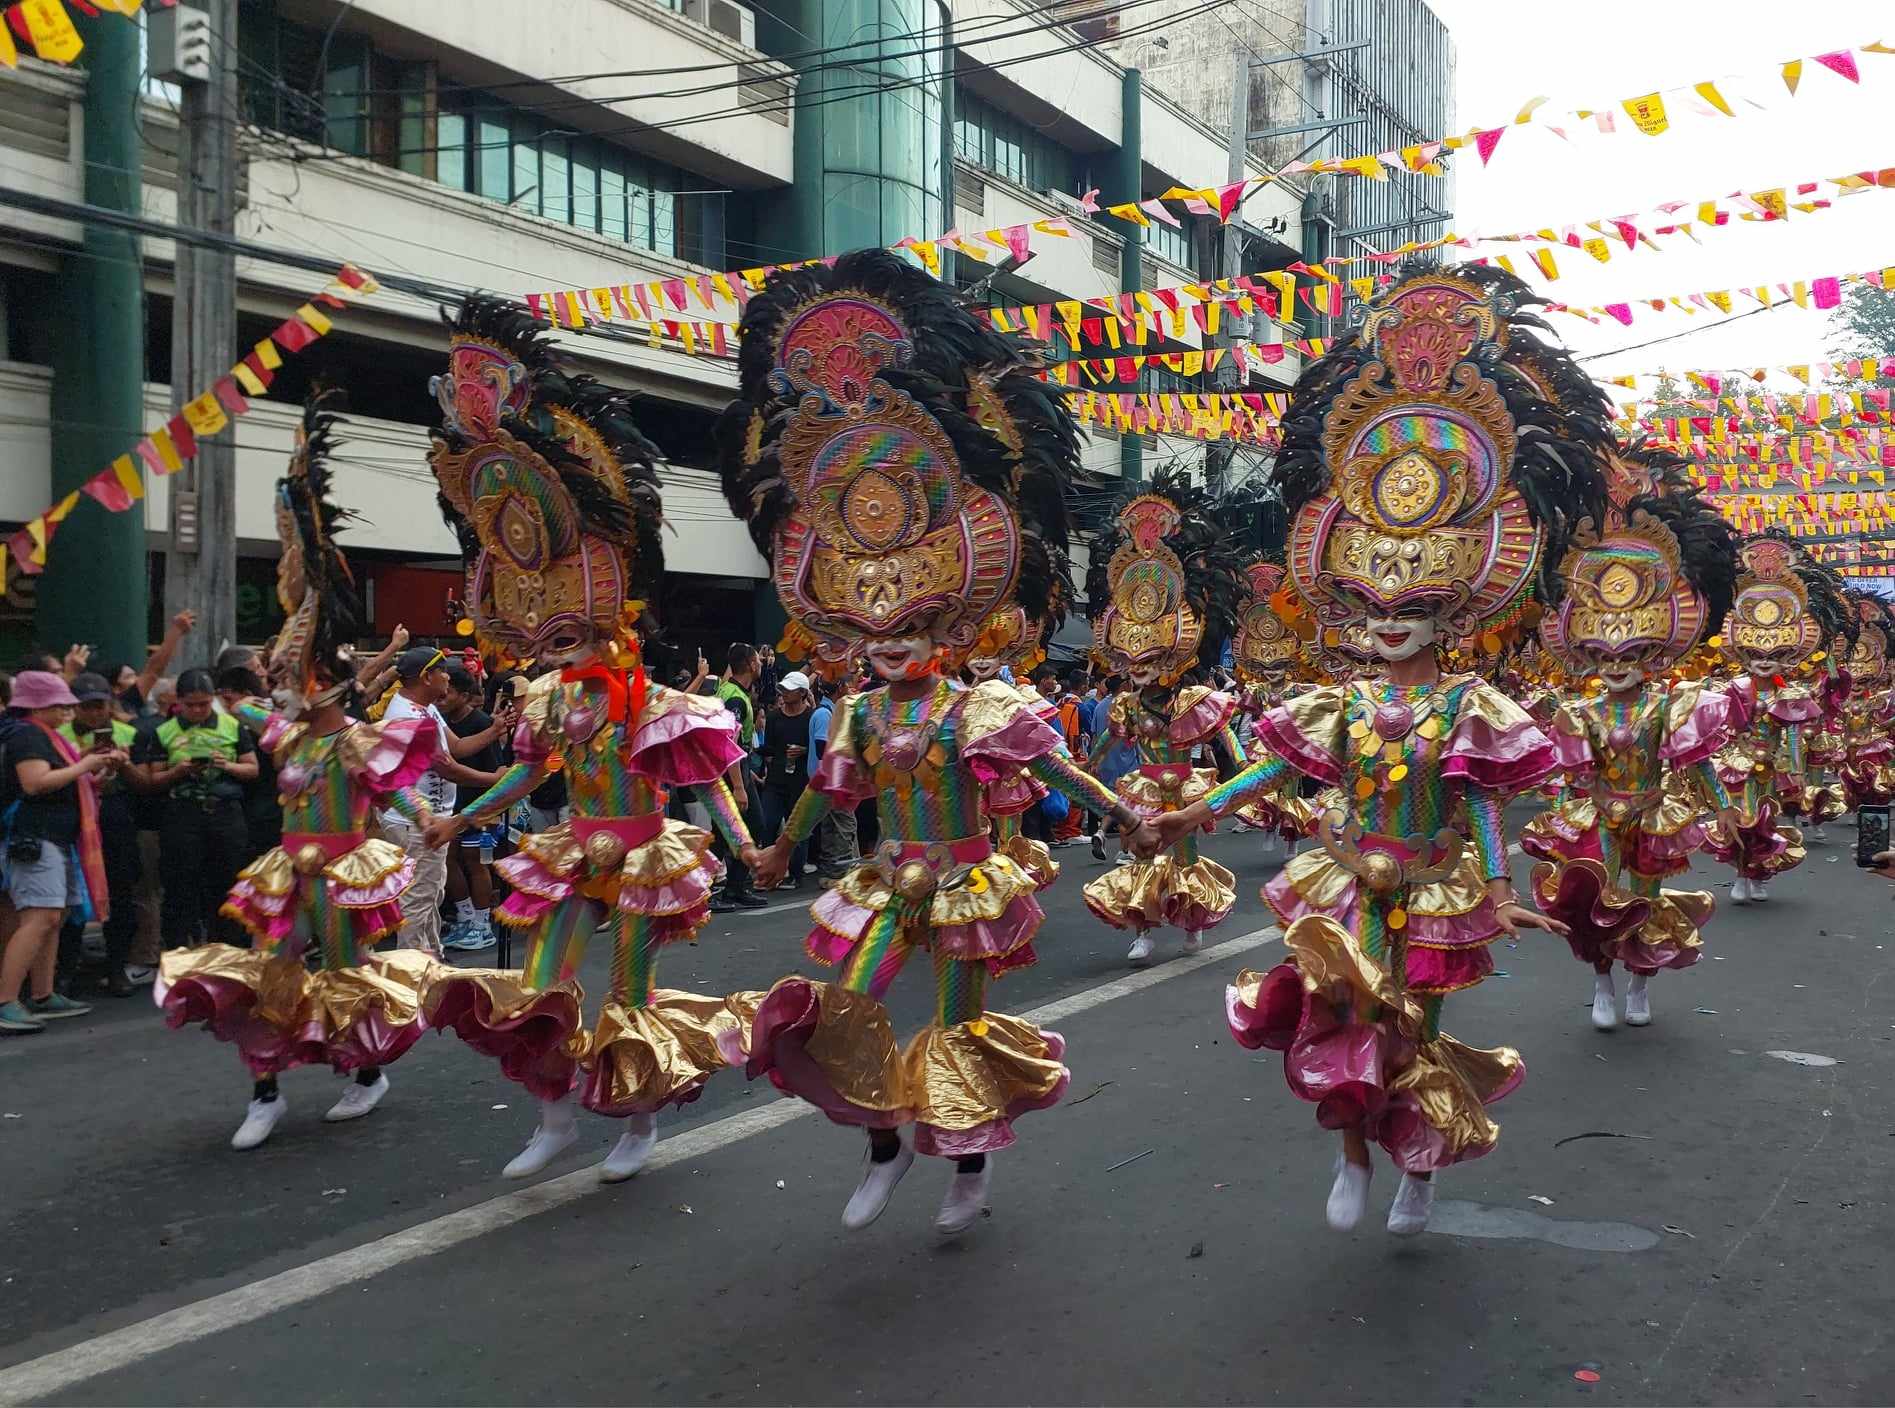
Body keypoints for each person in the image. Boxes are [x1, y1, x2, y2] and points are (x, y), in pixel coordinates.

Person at [1147, 265, 1601, 1237]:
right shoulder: (1341, 698)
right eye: (1374, 607)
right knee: (1335, 1013)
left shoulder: (1465, 702)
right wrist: (1204, 807)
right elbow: (1287, 768)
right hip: (1346, 876)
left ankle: (1419, 1170)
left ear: (1452, 610)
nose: (1390, 624)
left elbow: (1476, 795)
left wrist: (1496, 880)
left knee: (1410, 1033)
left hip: (1433, 882)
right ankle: (1351, 1154)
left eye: (1416, 610)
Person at [720, 249, 1154, 1237]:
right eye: (871, 634)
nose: (887, 648)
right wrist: (780, 842)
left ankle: (963, 1167)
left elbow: (1049, 765)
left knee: (955, 1031)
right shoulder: (866, 714)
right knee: (840, 1005)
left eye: (906, 630)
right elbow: (829, 790)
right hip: (888, 876)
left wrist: (1122, 810)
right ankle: (879, 1143)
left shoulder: (976, 708)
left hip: (962, 879)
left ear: (950, 626)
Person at [417, 297, 761, 1182]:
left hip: (644, 850)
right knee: (542, 985)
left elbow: (708, 779)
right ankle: (554, 1116)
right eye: (548, 639)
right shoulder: (544, 700)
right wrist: (459, 821)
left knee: (626, 991)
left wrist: (751, 840)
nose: (555, 648)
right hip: (575, 848)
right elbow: (523, 775)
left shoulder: (649, 701)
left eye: (570, 635)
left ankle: (638, 1124)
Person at [157, 391, 442, 1147]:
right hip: (289, 872)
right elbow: (199, 700)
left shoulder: (353, 738)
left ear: (328, 685)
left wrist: (430, 822)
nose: (277, 684)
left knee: (348, 977)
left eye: (291, 677)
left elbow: (399, 789)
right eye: (278, 677)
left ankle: (365, 1072)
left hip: (345, 873)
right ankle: (265, 1089)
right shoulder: (282, 734)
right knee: (269, 976)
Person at [1520, 444, 1750, 1031]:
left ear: (1652, 654)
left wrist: (1723, 810)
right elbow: (1567, 775)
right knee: (1597, 906)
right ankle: (1601, 982)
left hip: (1651, 816)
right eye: (1605, 656)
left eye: (1633, 654)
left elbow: (1693, 763)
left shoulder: (1670, 705)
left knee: (1641, 903)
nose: (1618, 666)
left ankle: (1640, 984)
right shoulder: (1582, 710)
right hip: (1597, 818)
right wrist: (1550, 814)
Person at [1080, 476, 1249, 966]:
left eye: (1149, 662)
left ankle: (1193, 922)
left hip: (1184, 791)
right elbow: (1109, 745)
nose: (1140, 671)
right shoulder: (1129, 705)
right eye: (1132, 663)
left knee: (1185, 861)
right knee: (1140, 858)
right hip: (1144, 789)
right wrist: (1085, 770)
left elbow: (1224, 744)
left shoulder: (1192, 698)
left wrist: (1238, 783)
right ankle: (1142, 930)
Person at [1700, 534, 1853, 903]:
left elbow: (1795, 735)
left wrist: (1797, 769)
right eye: (1754, 652)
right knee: (1743, 817)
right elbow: (1717, 730)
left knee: (1764, 821)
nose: (1764, 659)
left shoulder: (1791, 693)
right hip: (1737, 765)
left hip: (1774, 766)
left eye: (1775, 652)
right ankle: (1742, 873)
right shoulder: (1732, 689)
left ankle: (1759, 875)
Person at [0, 671, 127, 1033]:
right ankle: (6, 999)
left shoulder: (44, 736)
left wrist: (90, 770)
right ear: (40, 706)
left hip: (53, 837)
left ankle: (43, 992)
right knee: (38, 917)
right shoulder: (27, 734)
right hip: (36, 837)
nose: (69, 711)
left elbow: (60, 779)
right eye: (61, 705)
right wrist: (85, 766)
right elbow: (35, 782)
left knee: (52, 917)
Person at [374, 646, 505, 956]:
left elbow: (456, 748)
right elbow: (447, 768)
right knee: (418, 899)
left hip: (431, 821)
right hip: (415, 823)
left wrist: (495, 729)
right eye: (442, 670)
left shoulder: (426, 707)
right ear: (426, 677)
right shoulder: (408, 715)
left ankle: (430, 959)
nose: (448, 676)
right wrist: (497, 780)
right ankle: (412, 971)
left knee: (430, 894)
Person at [133, 667, 258, 949]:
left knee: (228, 885)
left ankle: (229, 949)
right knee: (180, 886)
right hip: (182, 814)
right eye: (191, 705)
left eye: (204, 704)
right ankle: (179, 949)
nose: (199, 710)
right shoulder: (164, 731)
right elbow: (154, 778)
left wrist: (227, 765)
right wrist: (178, 771)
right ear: (179, 701)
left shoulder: (232, 726)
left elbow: (252, 769)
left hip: (225, 812)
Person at [54, 673, 143, 997]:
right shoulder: (58, 736)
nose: (94, 713)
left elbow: (143, 784)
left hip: (116, 817)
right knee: (71, 896)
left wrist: (124, 764)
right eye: (86, 706)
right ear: (74, 707)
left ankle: (116, 968)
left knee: (121, 894)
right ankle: (64, 971)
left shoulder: (129, 733)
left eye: (100, 706)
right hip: (73, 820)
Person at [440, 662, 514, 952]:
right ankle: (466, 916)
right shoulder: (444, 725)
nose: (441, 700)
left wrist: (489, 811)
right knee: (450, 860)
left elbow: (498, 771)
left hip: (480, 807)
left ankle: (482, 925)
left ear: (462, 693)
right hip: (451, 806)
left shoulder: (483, 723)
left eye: (447, 695)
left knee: (475, 862)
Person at [710, 643, 767, 910]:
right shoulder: (735, 698)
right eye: (758, 659)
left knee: (736, 829)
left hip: (739, 767)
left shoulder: (730, 689)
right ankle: (713, 890)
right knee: (743, 827)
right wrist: (738, 785)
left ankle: (734, 888)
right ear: (751, 664)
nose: (761, 663)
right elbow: (727, 742)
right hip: (731, 768)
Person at [216, 665, 281, 863]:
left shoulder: (271, 724)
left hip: (266, 811)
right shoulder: (226, 726)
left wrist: (242, 707)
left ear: (247, 695)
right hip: (243, 811)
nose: (225, 706)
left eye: (228, 699)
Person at [758, 671, 814, 888]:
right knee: (768, 822)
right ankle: (767, 870)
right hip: (776, 779)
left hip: (800, 781)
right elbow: (771, 747)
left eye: (790, 689)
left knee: (797, 826)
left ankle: (795, 874)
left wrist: (804, 750)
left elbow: (819, 749)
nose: (785, 693)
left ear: (802, 693)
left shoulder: (812, 717)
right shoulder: (773, 717)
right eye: (784, 688)